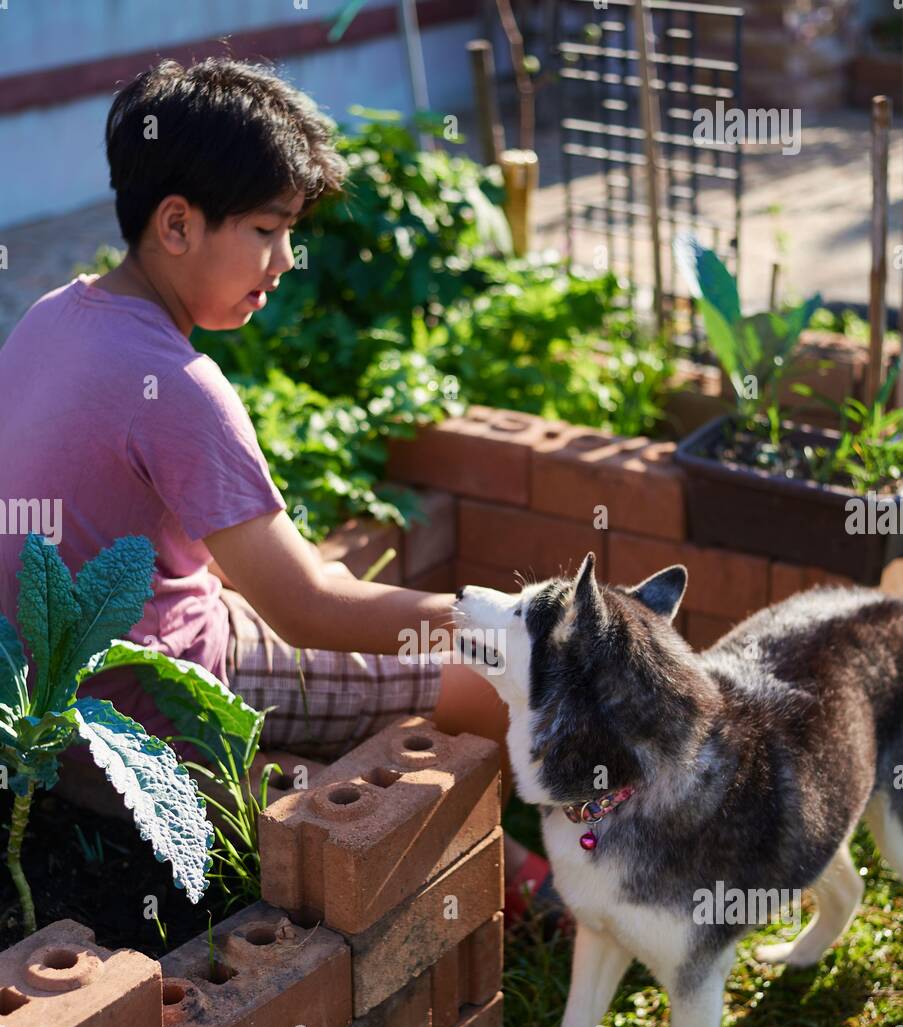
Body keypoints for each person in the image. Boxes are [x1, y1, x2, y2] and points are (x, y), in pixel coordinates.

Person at [0, 56, 567, 928]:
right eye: (267, 230)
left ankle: (494, 856)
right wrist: (501, 621)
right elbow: (306, 605)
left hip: (52, 721)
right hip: (164, 712)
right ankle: (507, 869)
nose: (286, 259)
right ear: (178, 224)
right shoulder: (178, 383)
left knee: (347, 724)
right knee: (489, 671)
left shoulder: (50, 316)